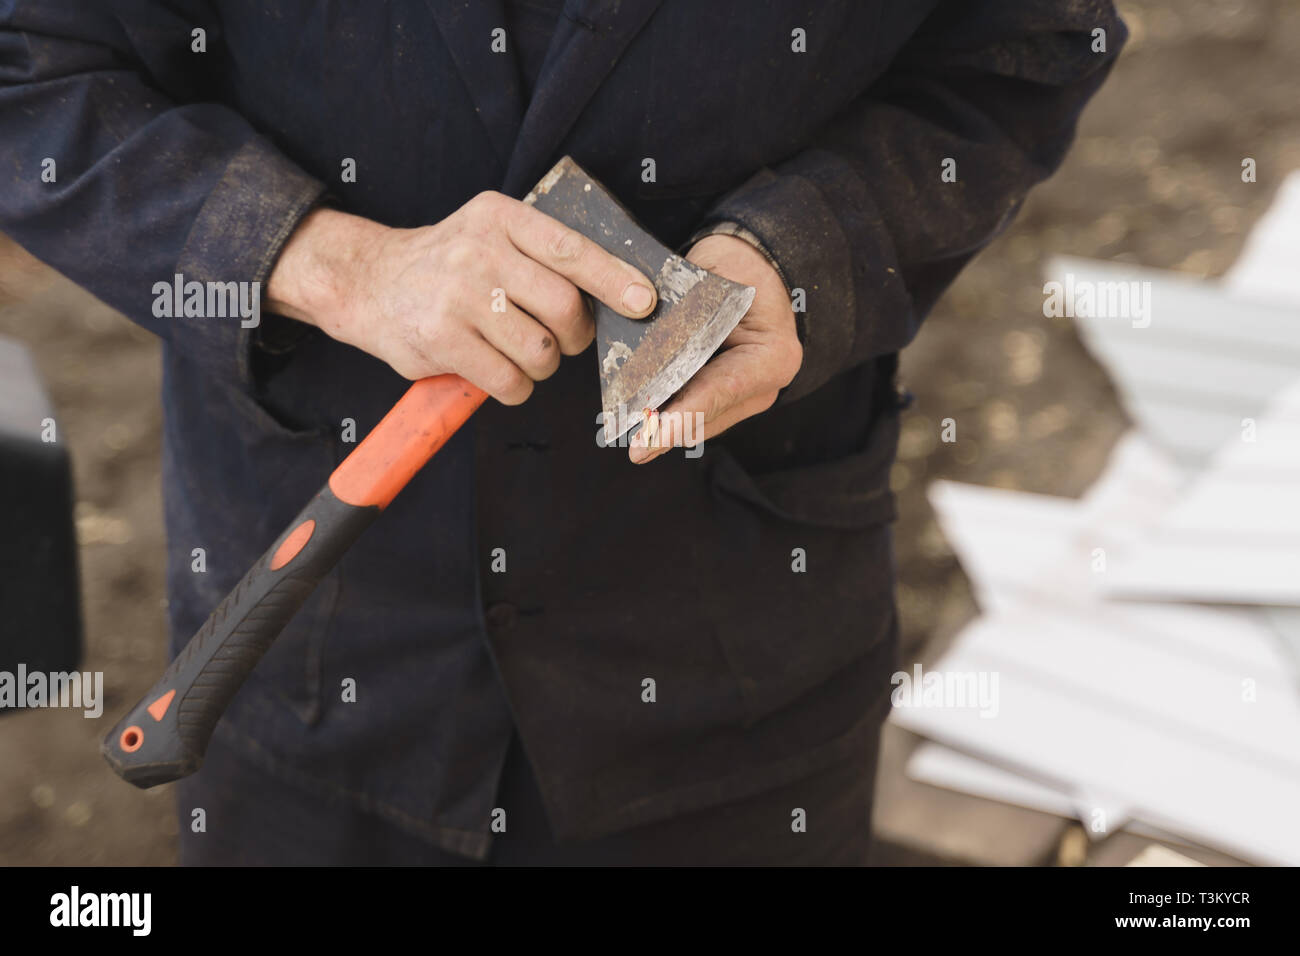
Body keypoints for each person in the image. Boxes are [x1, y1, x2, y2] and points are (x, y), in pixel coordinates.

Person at [0, 0, 1125, 865]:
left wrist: (809, 253)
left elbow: (1027, 45)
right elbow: (29, 66)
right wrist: (335, 266)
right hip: (311, 666)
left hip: (732, 686)